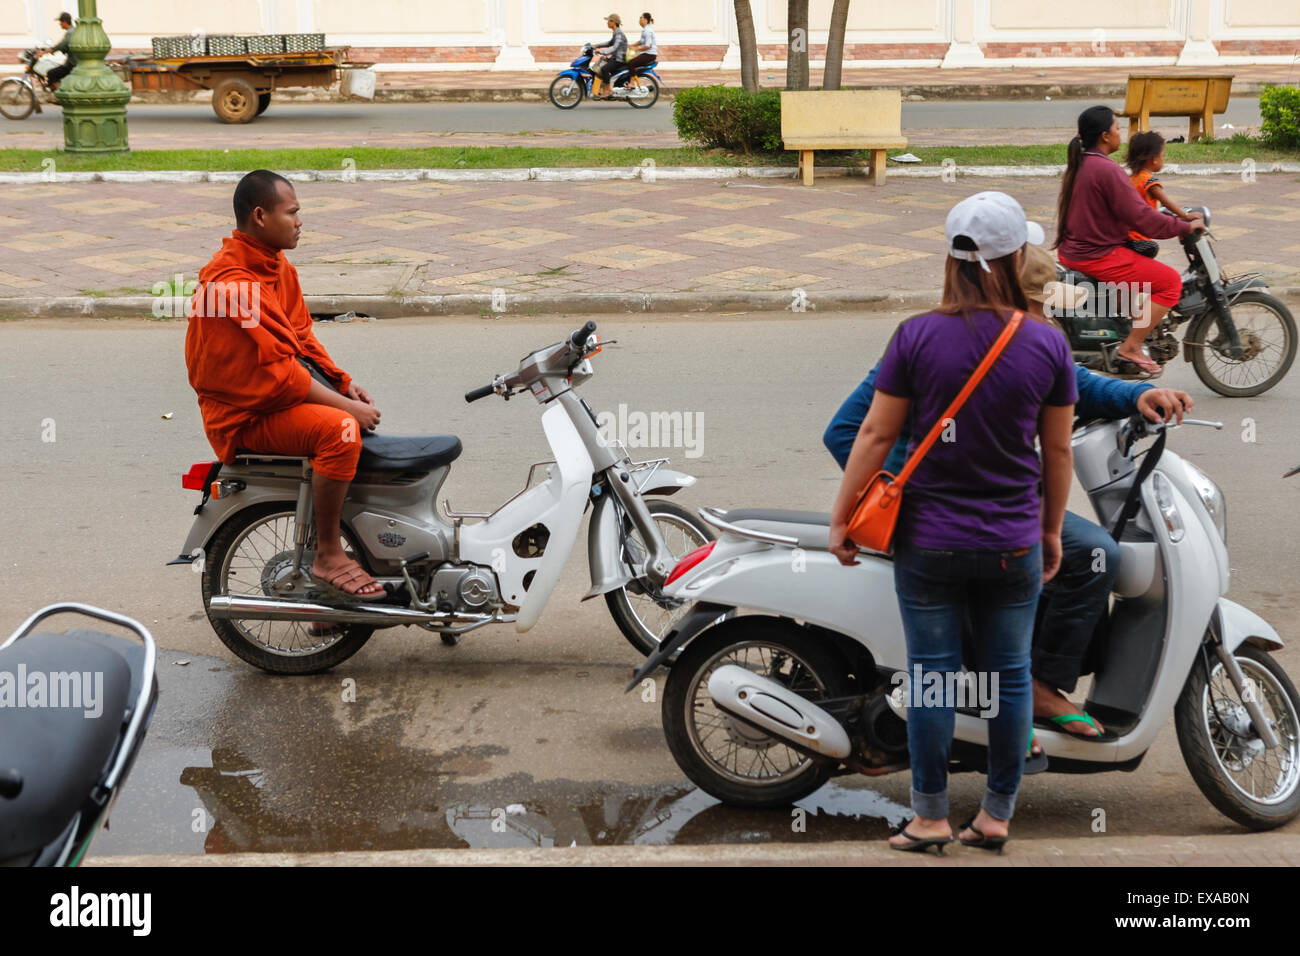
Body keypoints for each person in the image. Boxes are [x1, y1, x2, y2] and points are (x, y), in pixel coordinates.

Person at [824, 242, 1194, 750]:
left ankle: (986, 750)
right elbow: (850, 431)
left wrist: (1135, 394)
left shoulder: (1030, 343)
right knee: (1090, 554)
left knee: (1080, 561)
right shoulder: (932, 340)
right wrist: (908, 490)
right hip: (952, 519)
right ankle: (1031, 698)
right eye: (1039, 302)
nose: (1048, 314)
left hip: (998, 508)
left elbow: (1077, 386)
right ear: (1004, 295)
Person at [829, 191, 1077, 852]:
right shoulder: (1046, 344)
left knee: (933, 675)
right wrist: (1051, 530)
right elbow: (1057, 451)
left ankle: (931, 817)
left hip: (929, 542)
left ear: (952, 257)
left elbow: (876, 434)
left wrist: (841, 520)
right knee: (1011, 673)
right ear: (1016, 256)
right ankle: (995, 815)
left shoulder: (917, 335)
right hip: (1012, 542)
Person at [185, 170, 384, 600]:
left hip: (277, 402)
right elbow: (282, 372)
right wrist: (346, 410)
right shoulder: (233, 285)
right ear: (260, 216)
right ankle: (328, 553)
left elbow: (302, 340)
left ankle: (327, 594)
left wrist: (344, 384)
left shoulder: (278, 269)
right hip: (244, 417)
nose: (299, 221)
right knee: (341, 431)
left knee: (359, 429)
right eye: (291, 212)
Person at [1054, 105, 1205, 376]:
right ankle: (1132, 347)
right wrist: (1182, 227)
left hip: (1077, 250)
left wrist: (1175, 221)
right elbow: (1142, 217)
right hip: (1097, 254)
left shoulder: (1083, 163)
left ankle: (1133, 324)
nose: (1119, 133)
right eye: (1116, 128)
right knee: (1170, 282)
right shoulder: (1106, 170)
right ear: (1104, 136)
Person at [1125, 130, 1203, 258]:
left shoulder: (1132, 178)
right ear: (1154, 159)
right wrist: (1186, 216)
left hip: (1127, 236)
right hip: (1140, 239)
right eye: (1163, 156)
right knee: (1153, 249)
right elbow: (1167, 203)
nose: (1163, 159)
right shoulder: (1149, 181)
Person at [589, 13, 627, 100]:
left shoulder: (619, 34)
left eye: (608, 21)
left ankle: (608, 90)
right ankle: (598, 90)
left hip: (619, 59)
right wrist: (595, 46)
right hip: (615, 57)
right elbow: (609, 43)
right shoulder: (616, 32)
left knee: (604, 69)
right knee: (598, 65)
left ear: (613, 22)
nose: (607, 23)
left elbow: (614, 48)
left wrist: (601, 51)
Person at [624, 12, 658, 88]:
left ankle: (632, 83)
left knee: (631, 63)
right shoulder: (646, 29)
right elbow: (641, 41)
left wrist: (636, 49)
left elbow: (648, 46)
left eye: (641, 17)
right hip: (647, 54)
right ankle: (630, 80)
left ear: (645, 20)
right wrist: (631, 45)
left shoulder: (647, 31)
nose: (639, 19)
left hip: (649, 54)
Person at [45, 12, 76, 89]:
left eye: (60, 22)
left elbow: (62, 45)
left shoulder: (70, 33)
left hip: (72, 63)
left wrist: (50, 51)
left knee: (51, 73)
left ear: (65, 22)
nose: (60, 24)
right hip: (73, 62)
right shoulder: (74, 30)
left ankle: (59, 94)